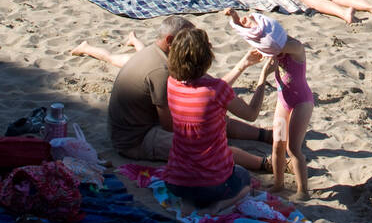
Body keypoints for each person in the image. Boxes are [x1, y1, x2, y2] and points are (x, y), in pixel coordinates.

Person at [70, 17, 272, 162]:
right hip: (136, 139)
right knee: (207, 146)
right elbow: (169, 125)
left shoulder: (158, 55)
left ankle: (265, 136)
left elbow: (210, 89)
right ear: (169, 41)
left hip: (137, 126)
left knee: (211, 120)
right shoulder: (162, 71)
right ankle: (264, 163)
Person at [163, 26, 273, 210]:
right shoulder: (217, 91)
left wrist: (242, 66)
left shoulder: (172, 83)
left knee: (195, 189)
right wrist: (263, 77)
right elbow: (251, 114)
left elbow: (209, 86)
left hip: (175, 182)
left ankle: (189, 202)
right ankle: (219, 205)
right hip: (211, 185)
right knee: (244, 179)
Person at [227, 9, 313, 199]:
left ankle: (303, 190)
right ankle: (278, 183)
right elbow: (252, 36)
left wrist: (268, 45)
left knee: (293, 148)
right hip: (284, 100)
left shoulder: (296, 48)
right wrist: (236, 20)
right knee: (277, 145)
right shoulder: (275, 51)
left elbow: (273, 43)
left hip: (302, 102)